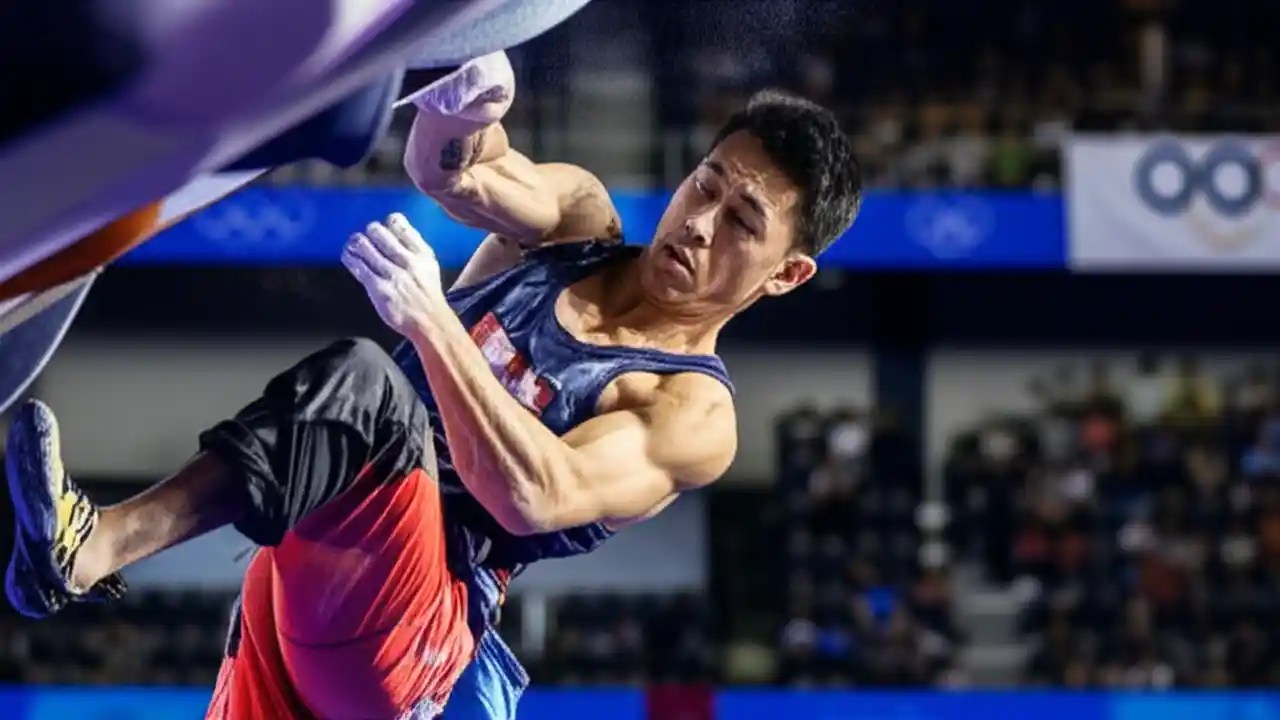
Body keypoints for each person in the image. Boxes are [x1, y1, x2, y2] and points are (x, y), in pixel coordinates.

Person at [4, 51, 862, 719]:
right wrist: (460, 97)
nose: (700, 222)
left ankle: (93, 548)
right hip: (302, 569)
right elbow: (456, 174)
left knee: (369, 386)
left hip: (412, 633)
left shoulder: (693, 412)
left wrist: (433, 320)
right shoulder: (579, 218)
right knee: (365, 392)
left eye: (741, 222)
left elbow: (536, 492)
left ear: (786, 275)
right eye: (705, 183)